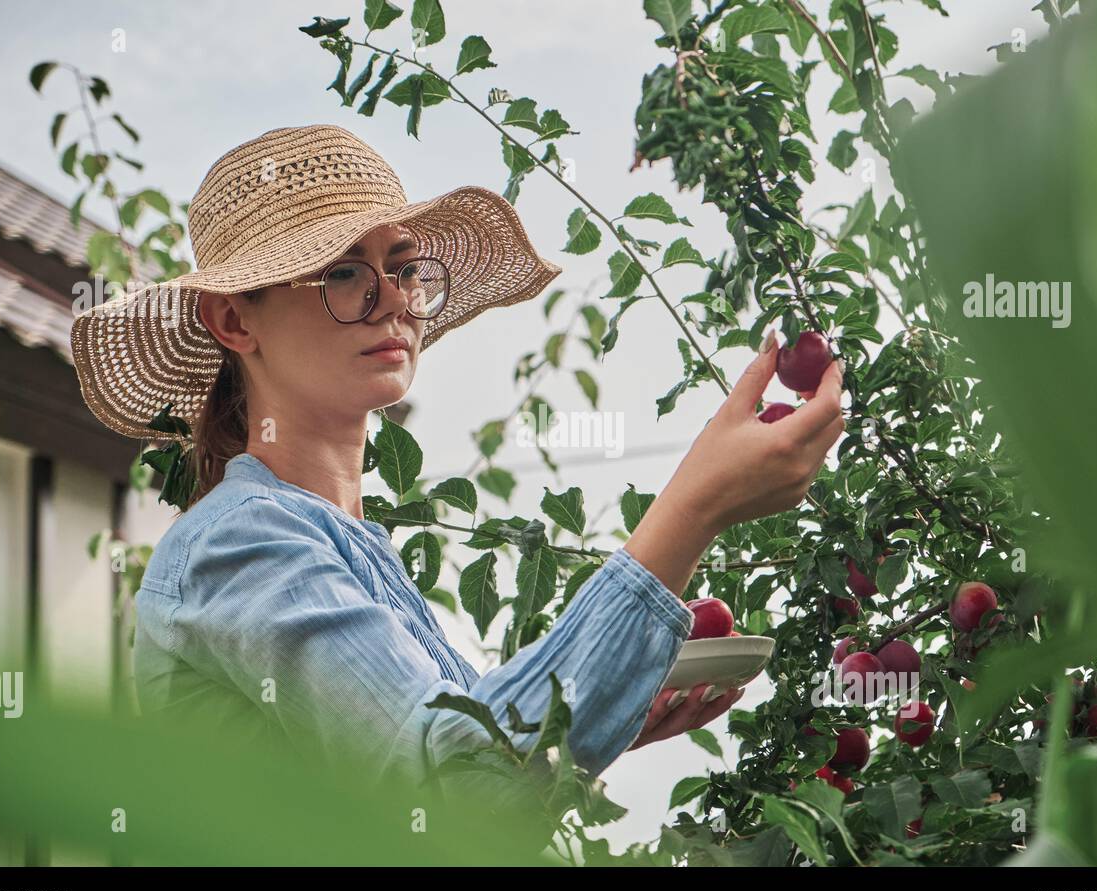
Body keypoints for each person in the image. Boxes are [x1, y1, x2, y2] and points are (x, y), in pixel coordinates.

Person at [70, 125, 844, 785]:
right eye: (344, 273)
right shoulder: (236, 542)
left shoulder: (345, 552)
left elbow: (469, 781)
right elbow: (453, 786)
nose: (397, 299)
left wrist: (600, 726)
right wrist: (694, 506)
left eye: (404, 268)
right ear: (236, 322)